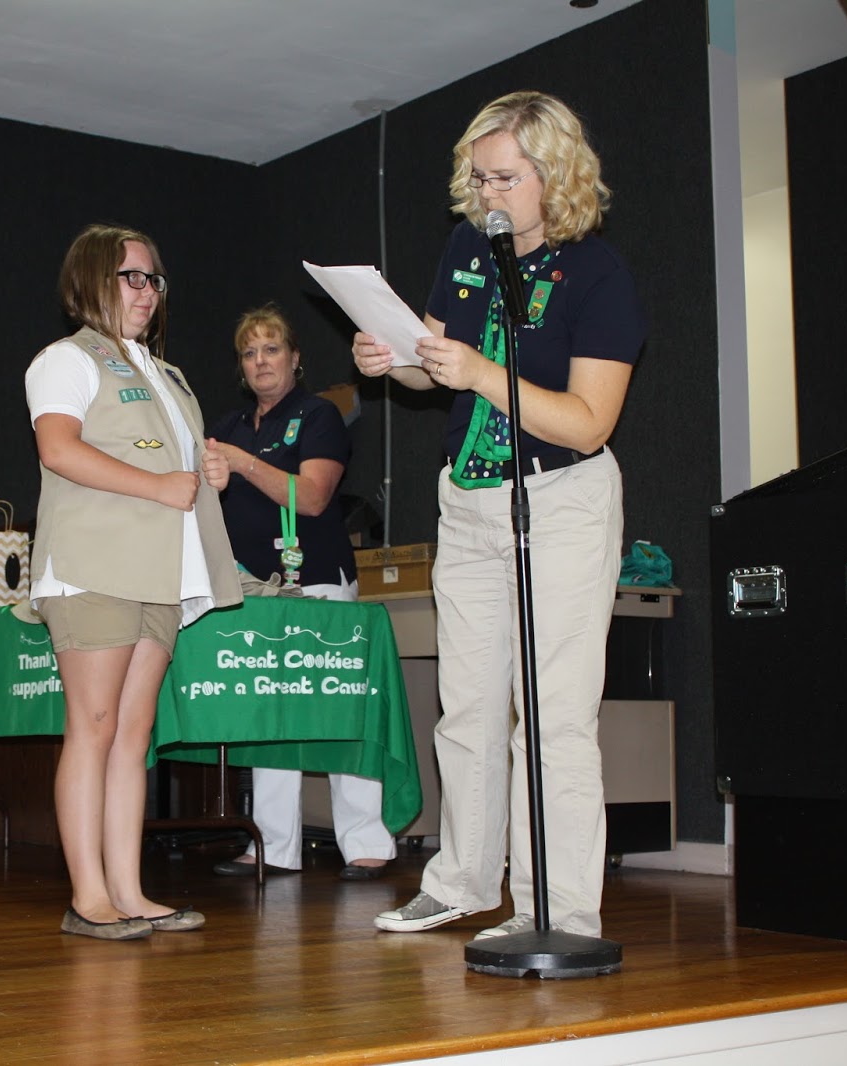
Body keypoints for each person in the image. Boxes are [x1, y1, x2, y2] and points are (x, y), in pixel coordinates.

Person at [355, 91, 644, 940]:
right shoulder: (464, 248)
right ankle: (463, 883)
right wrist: (394, 357)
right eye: (478, 178)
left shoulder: (599, 272)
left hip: (559, 501)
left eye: (505, 178)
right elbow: (432, 370)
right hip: (469, 500)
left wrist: (478, 370)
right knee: (467, 708)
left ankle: (561, 912)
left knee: (552, 716)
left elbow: (589, 421)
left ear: (555, 176)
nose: (487, 194)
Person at [25, 222, 244, 940]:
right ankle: (88, 894)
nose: (146, 291)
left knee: (133, 732)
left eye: (153, 278)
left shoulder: (167, 373)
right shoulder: (65, 360)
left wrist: (209, 472)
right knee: (91, 727)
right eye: (130, 277)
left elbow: (182, 471)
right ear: (91, 280)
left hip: (160, 571)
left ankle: (128, 888)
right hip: (93, 566)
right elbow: (58, 450)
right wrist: (159, 488)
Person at [203, 305, 396, 881]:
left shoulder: (318, 416)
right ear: (241, 366)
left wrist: (240, 465)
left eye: (271, 349)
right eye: (249, 352)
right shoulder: (230, 426)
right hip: (254, 590)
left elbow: (312, 498)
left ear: (295, 358)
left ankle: (367, 842)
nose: (260, 361)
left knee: (337, 708)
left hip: (317, 584)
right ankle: (274, 846)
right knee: (269, 713)